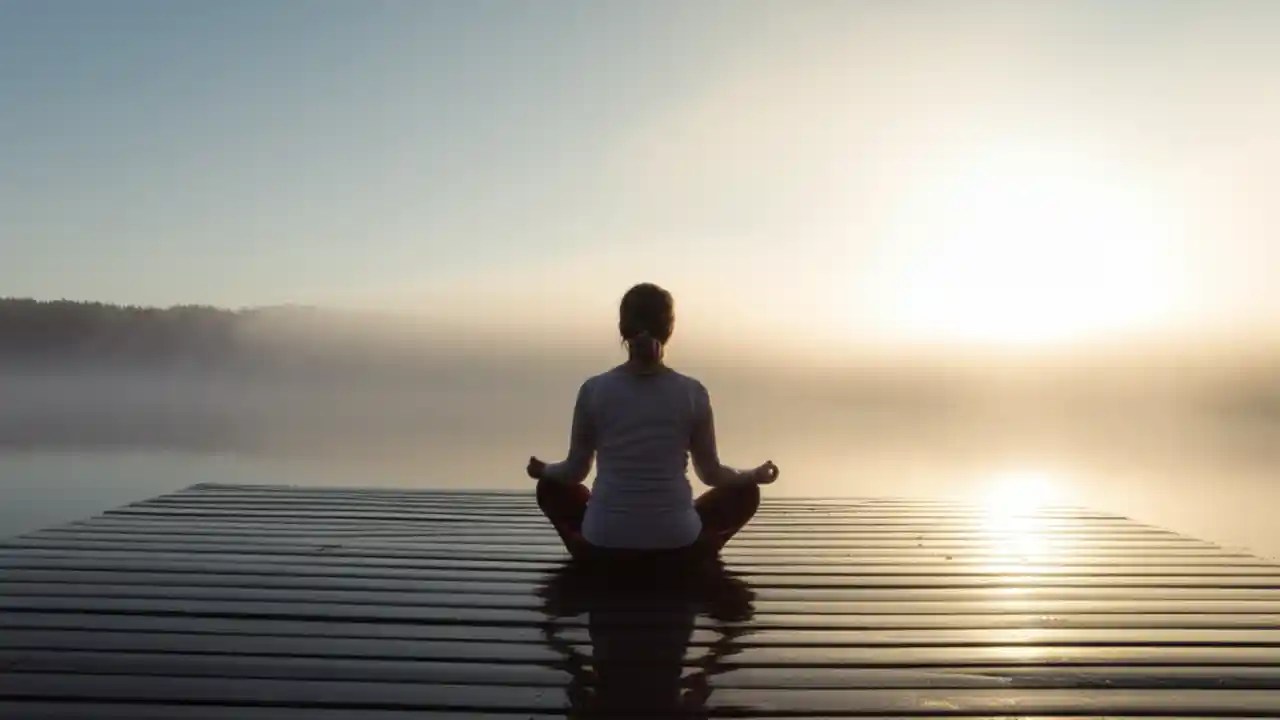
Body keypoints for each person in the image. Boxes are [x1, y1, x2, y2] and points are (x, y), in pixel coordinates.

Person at [526, 282, 779, 566]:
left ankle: (589, 549)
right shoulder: (692, 392)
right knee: (745, 491)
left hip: (604, 540)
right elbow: (710, 473)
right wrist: (752, 475)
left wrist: (543, 470)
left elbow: (575, 471)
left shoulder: (594, 389)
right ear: (670, 329)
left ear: (622, 328)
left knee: (550, 486)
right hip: (677, 541)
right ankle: (694, 552)